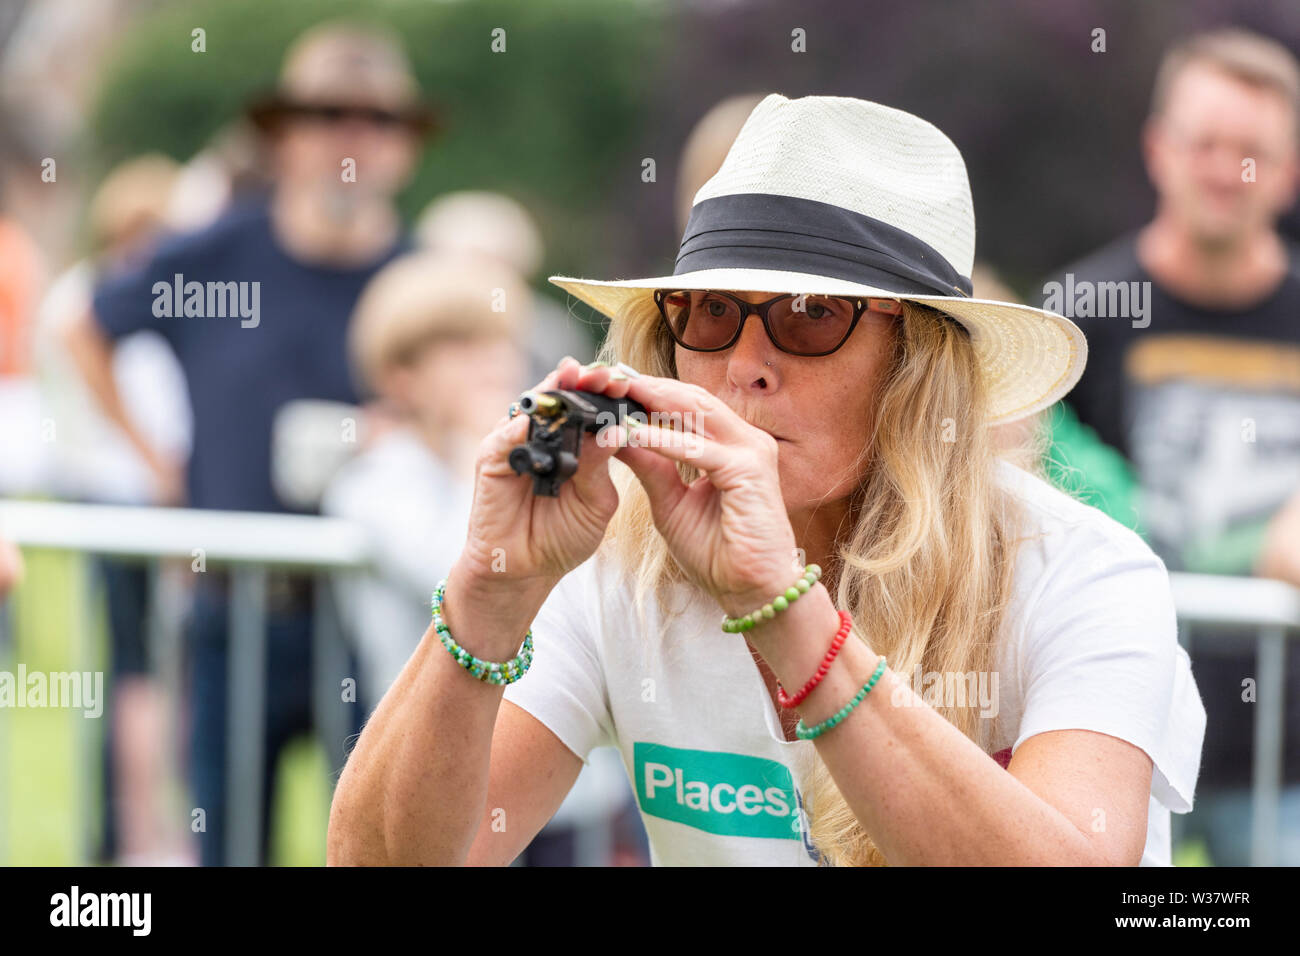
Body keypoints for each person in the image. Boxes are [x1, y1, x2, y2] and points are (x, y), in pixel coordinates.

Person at [327, 93, 1206, 867]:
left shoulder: (1084, 571)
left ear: (916, 365)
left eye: (810, 315)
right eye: (710, 312)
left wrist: (785, 610)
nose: (744, 366)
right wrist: (488, 591)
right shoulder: (615, 556)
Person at [61, 20, 436, 866]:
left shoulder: (422, 284)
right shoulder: (213, 254)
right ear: (284, 137)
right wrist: (160, 466)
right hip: (233, 611)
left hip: (375, 616)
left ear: (404, 145)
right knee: (230, 841)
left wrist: (408, 432)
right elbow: (85, 326)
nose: (352, 141)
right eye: (327, 116)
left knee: (385, 843)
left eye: (376, 121)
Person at [1041, 28, 1300, 865]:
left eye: (1252, 151)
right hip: (1115, 728)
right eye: (1206, 143)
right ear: (1160, 148)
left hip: (1286, 757)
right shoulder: (1077, 313)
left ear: (1289, 171)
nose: (1225, 169)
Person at [321, 250, 645, 865]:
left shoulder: (533, 460)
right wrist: (481, 442)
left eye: (499, 345)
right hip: (447, 776)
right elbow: (474, 566)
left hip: (572, 781)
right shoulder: (379, 479)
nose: (492, 365)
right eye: (462, 349)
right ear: (401, 377)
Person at [43, 153, 194, 865]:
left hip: (117, 496)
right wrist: (156, 462)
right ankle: (141, 839)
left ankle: (133, 834)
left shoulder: (86, 289)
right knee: (145, 670)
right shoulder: (112, 298)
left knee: (137, 672)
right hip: (136, 499)